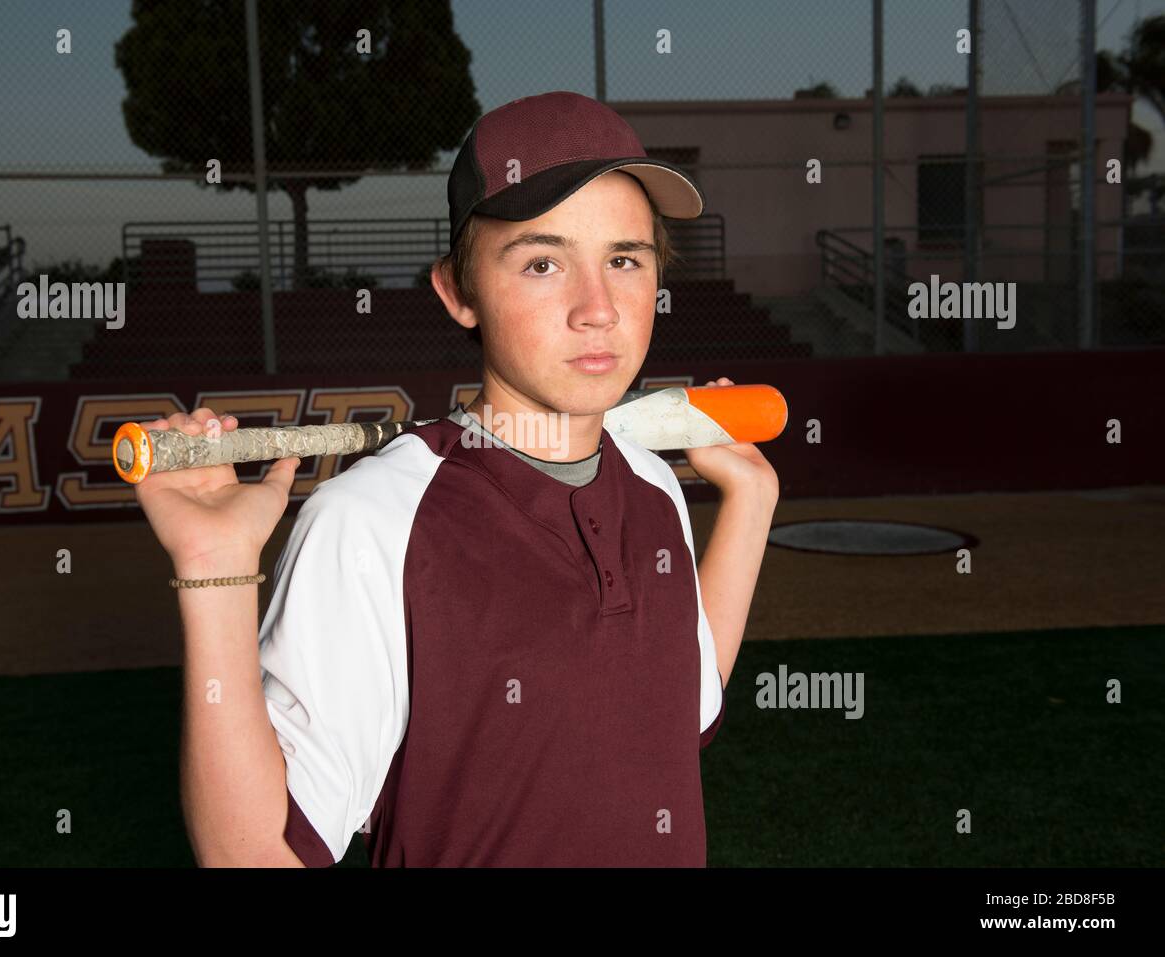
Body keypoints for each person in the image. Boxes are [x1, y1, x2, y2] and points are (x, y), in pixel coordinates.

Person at [133, 91, 778, 867]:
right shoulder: (371, 522)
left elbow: (677, 703)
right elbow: (251, 860)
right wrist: (217, 574)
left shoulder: (652, 484)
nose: (598, 308)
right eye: (543, 262)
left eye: (624, 260)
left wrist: (749, 502)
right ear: (458, 292)